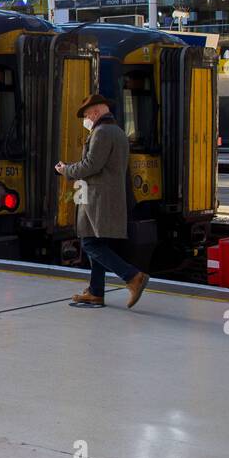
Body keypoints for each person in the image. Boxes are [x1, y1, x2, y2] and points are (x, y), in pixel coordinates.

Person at [55, 93, 150, 308]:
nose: (87, 120)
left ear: (96, 112)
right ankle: (96, 291)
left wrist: (65, 170)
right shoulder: (118, 132)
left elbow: (90, 166)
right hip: (107, 195)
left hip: (98, 197)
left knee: (89, 243)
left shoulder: (101, 133)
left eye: (87, 115)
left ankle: (133, 277)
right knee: (94, 240)